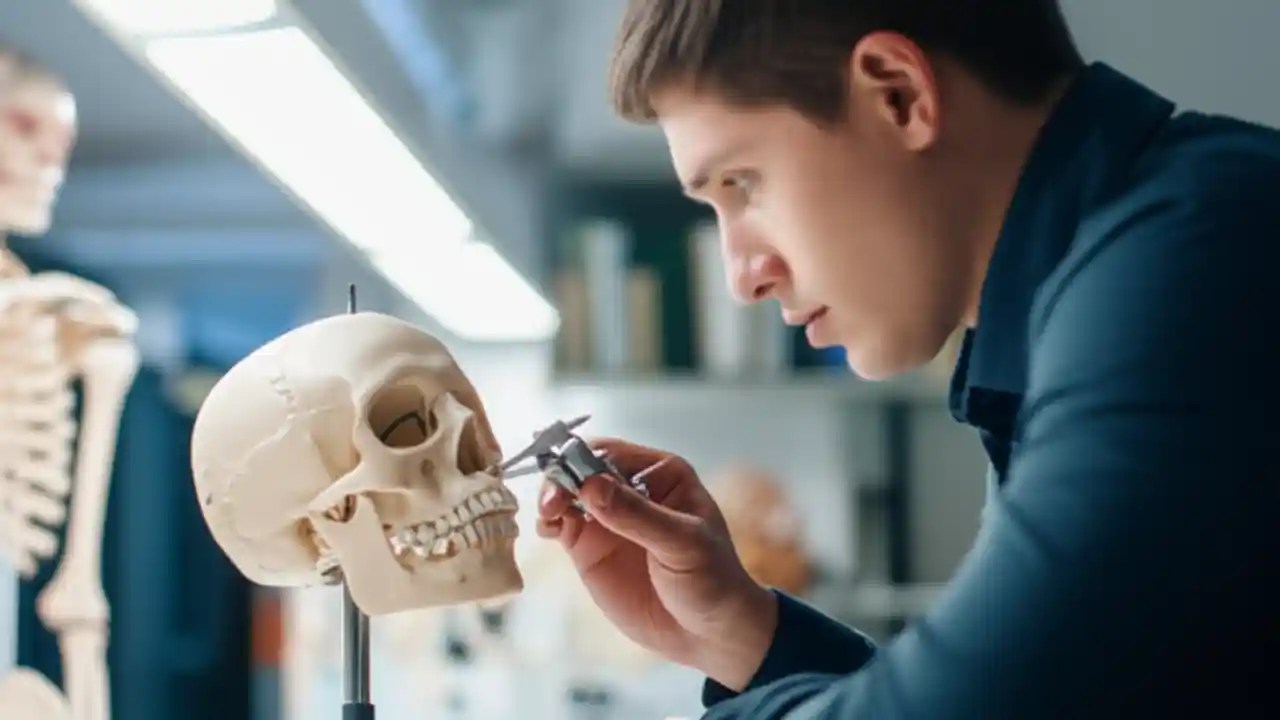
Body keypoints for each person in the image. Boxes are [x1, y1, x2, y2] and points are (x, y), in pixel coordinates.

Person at [536, 0, 1280, 717]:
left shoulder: (1195, 264)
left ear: (897, 94)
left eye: (743, 183)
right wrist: (742, 635)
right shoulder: (1091, 297)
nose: (741, 275)